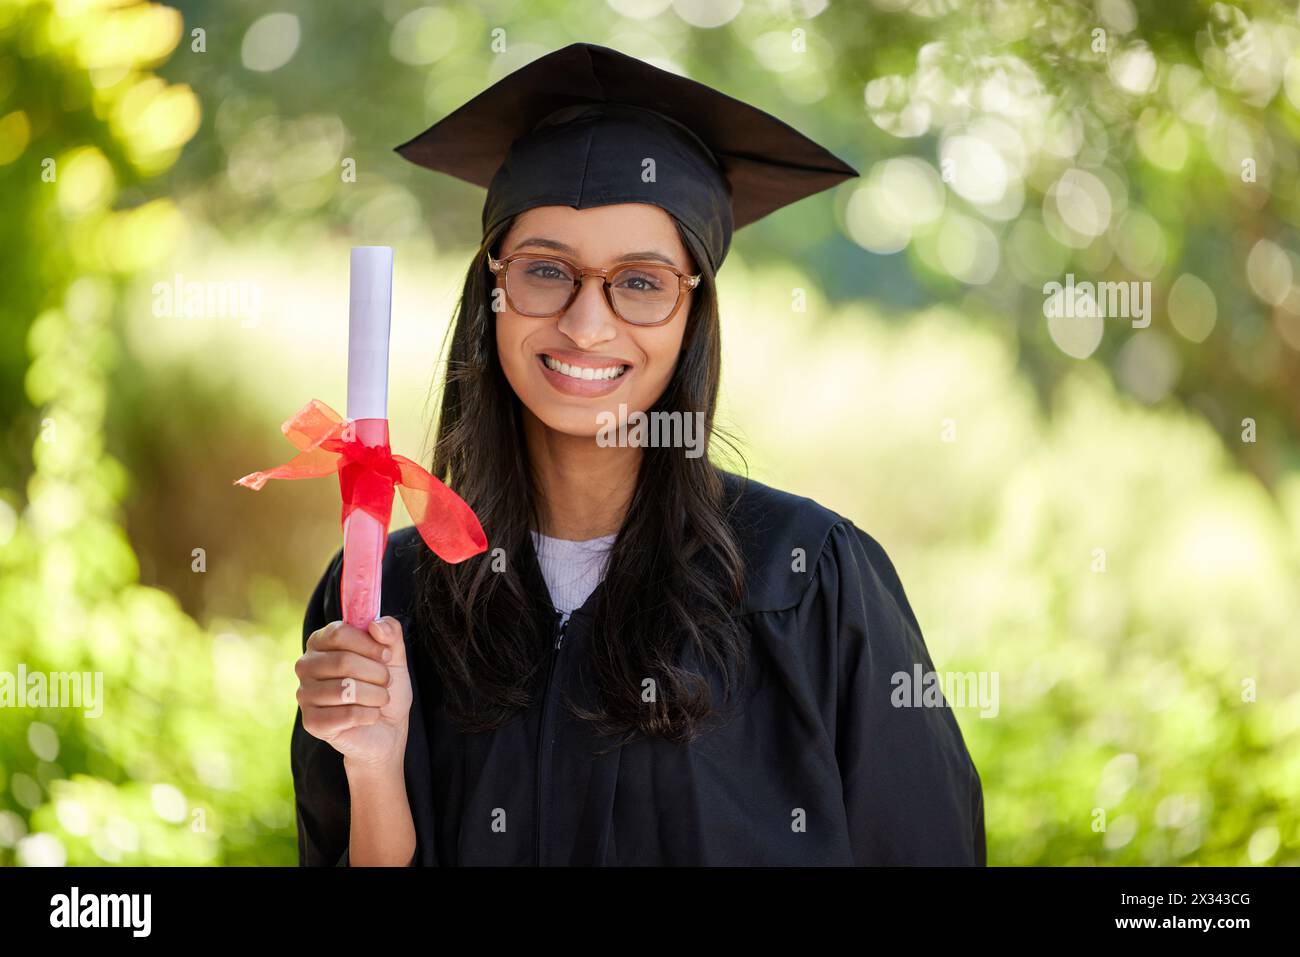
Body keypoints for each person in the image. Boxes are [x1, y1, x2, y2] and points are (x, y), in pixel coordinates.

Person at [291, 42, 985, 866]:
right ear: (495, 291)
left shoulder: (807, 579)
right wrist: (374, 767)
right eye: (546, 271)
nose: (587, 325)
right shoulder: (386, 595)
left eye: (642, 281)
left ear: (695, 313)